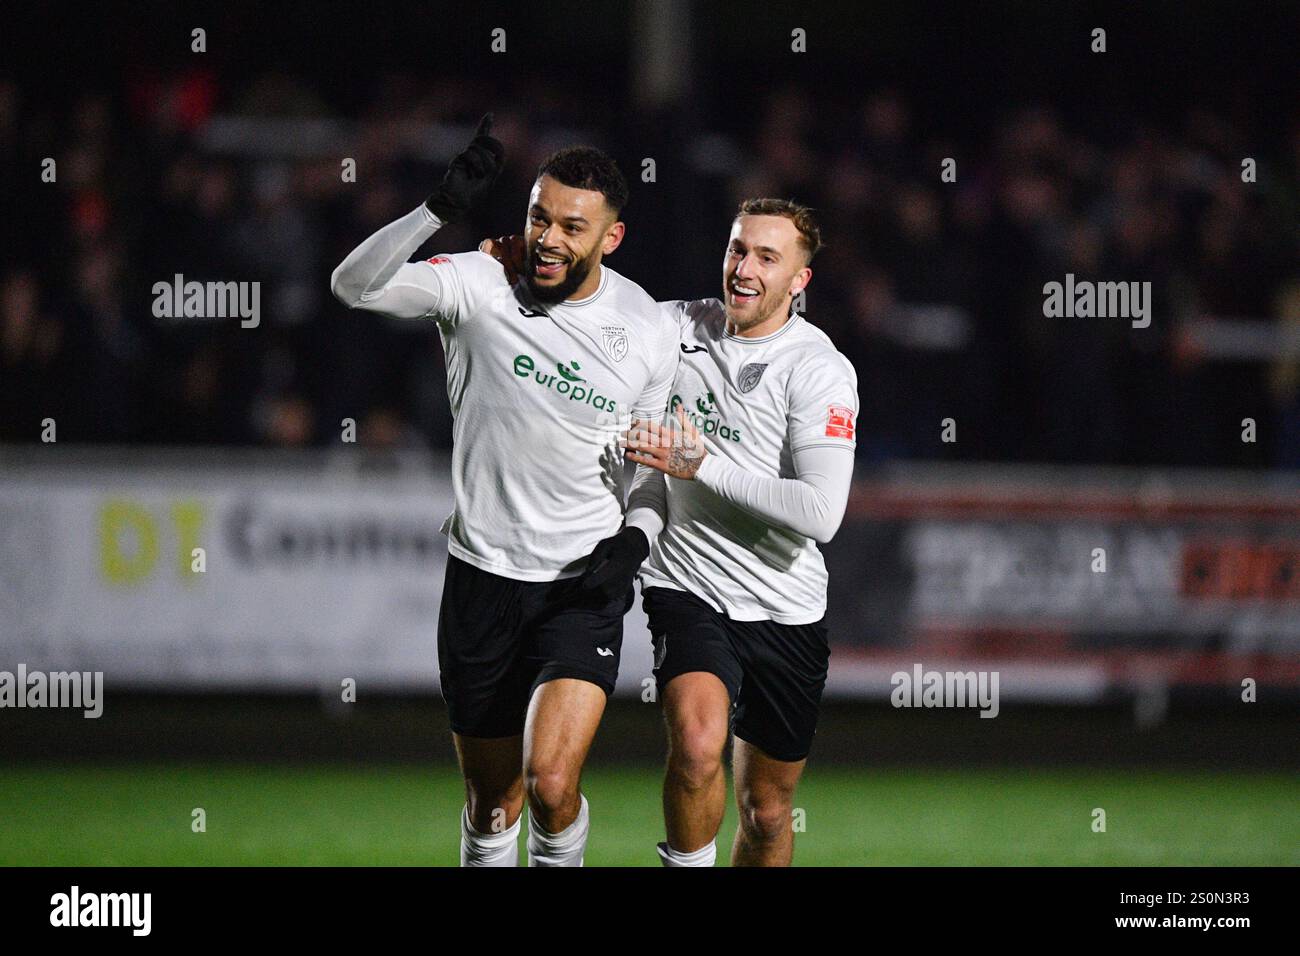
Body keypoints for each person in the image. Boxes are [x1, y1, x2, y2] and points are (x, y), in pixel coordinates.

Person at [331, 115, 679, 866]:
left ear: (609, 239)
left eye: (572, 227)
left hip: (579, 585)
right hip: (482, 578)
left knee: (552, 782)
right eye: (539, 217)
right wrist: (434, 213)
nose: (549, 238)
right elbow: (351, 286)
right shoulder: (478, 283)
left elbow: (649, 469)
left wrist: (636, 540)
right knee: (493, 804)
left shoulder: (646, 328)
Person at [481, 198, 859, 866]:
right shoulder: (675, 328)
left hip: (785, 607)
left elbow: (820, 514)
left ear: (799, 281)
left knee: (767, 812)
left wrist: (701, 465)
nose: (744, 267)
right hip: (687, 587)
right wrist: (528, 266)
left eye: (767, 258)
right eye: (737, 249)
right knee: (696, 744)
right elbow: (595, 315)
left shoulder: (818, 370)